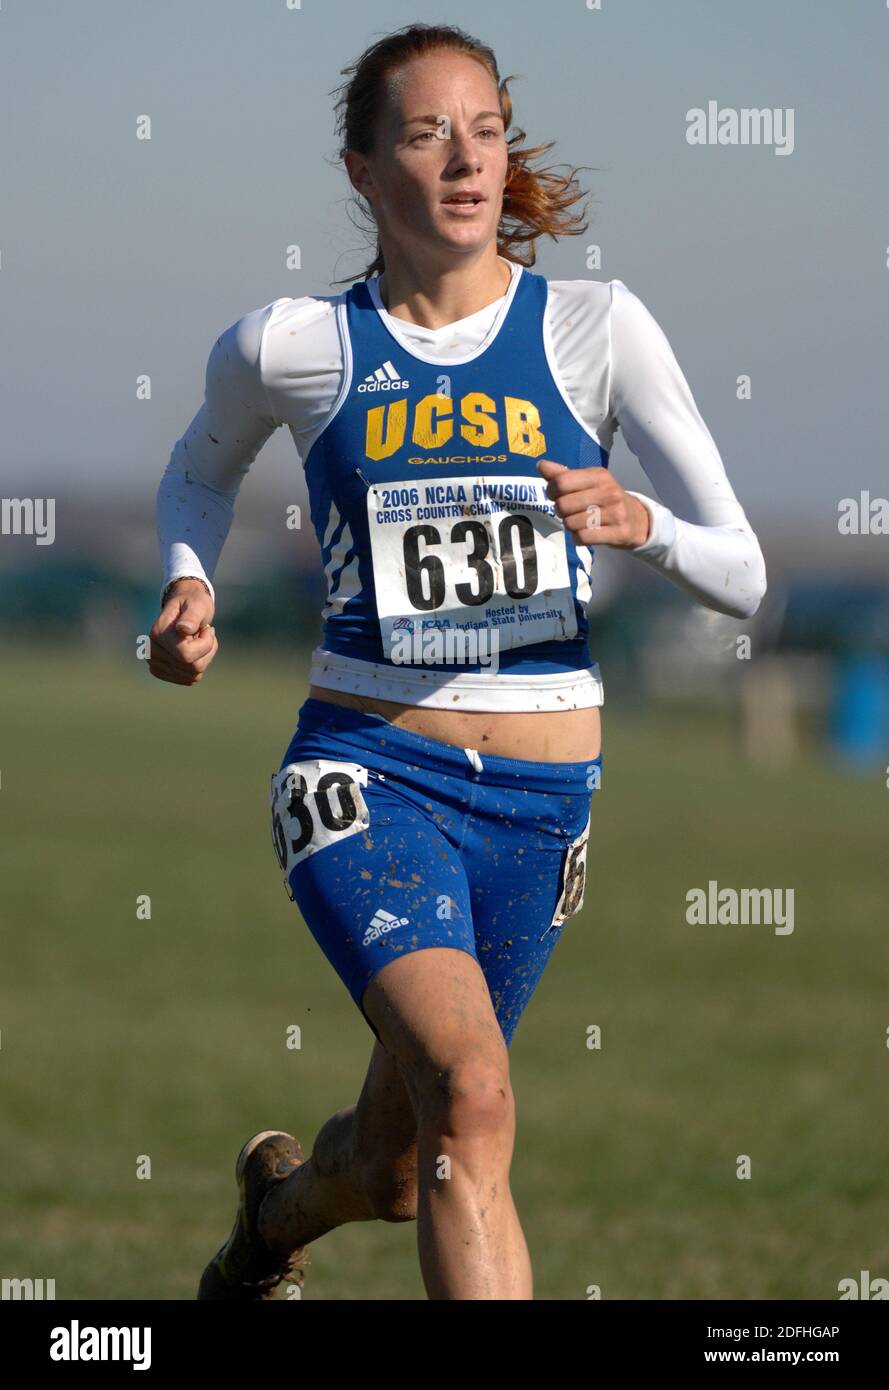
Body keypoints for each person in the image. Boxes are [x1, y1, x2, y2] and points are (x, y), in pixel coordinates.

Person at [151, 22, 766, 1301]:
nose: (466, 157)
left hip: (542, 810)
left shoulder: (598, 325)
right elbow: (199, 472)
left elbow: (744, 568)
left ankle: (270, 1225)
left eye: (485, 129)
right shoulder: (292, 343)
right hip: (366, 774)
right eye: (427, 132)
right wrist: (187, 582)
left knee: (396, 1164)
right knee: (475, 1105)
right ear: (364, 169)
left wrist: (633, 520)